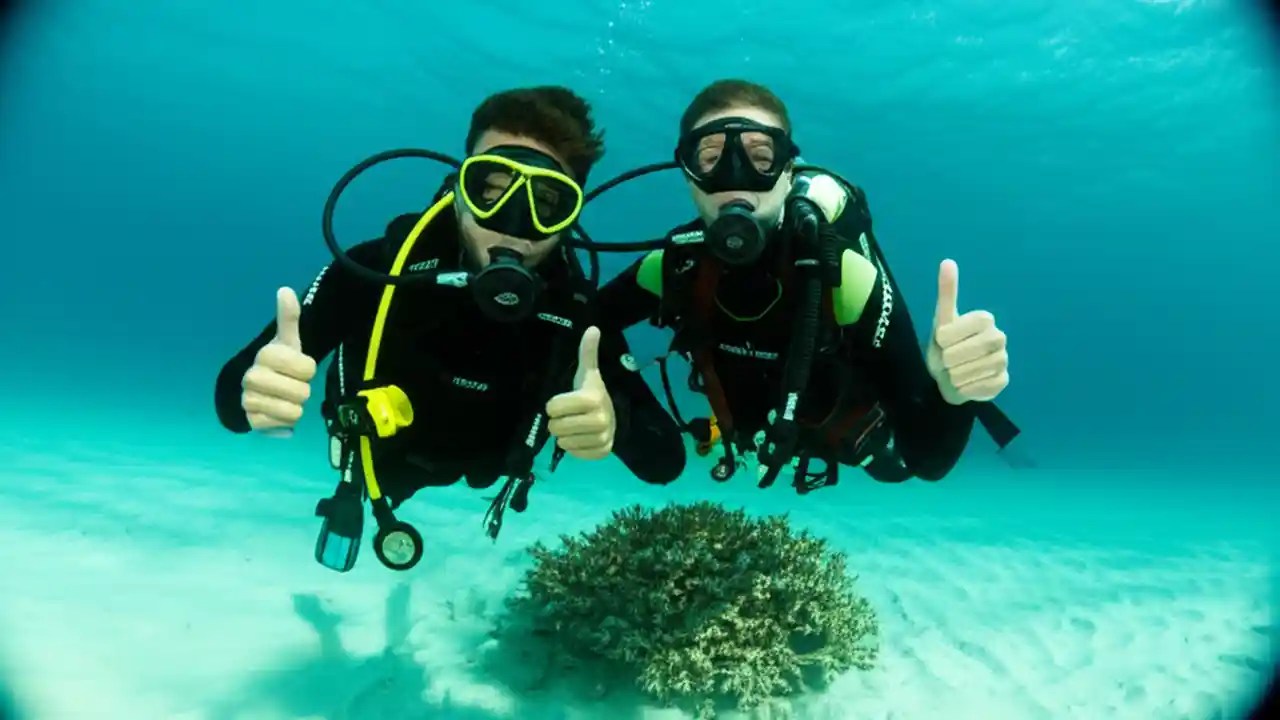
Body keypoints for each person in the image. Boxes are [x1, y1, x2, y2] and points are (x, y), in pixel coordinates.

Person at [214, 85, 686, 573]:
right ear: (459, 189)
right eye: (491, 189)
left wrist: (616, 425)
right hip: (382, 462)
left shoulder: (574, 312)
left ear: (570, 217)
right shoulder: (378, 271)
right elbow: (230, 401)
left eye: (547, 201)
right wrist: (256, 391)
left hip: (489, 465)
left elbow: (664, 461)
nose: (513, 225)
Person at [596, 79, 1019, 493]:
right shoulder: (675, 267)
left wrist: (952, 396)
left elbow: (927, 460)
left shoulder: (845, 279)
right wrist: (627, 416)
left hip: (841, 432)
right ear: (689, 178)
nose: (734, 175)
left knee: (891, 467)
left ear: (787, 173)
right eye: (709, 156)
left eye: (761, 156)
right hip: (750, 427)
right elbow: (585, 326)